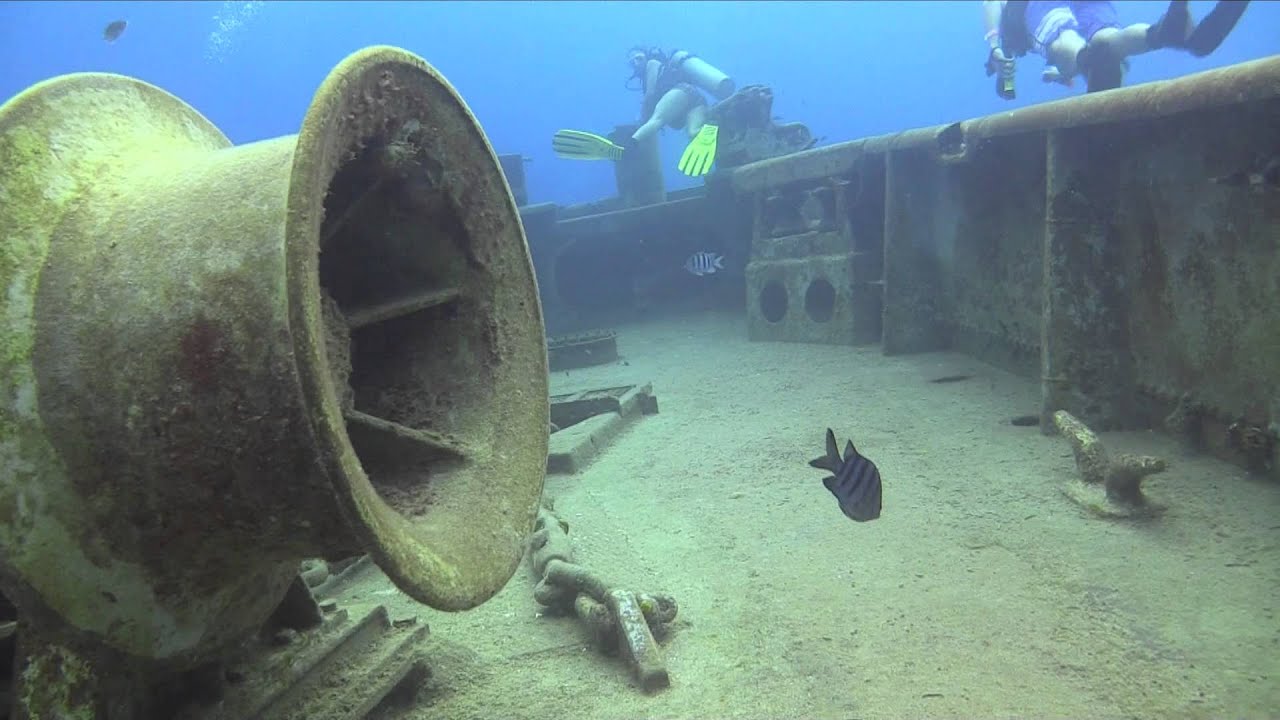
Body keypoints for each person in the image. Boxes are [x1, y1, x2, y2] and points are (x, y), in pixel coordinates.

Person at [982, 0, 1251, 95]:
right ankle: (1165, 34)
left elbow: (991, 1)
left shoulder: (1016, 29)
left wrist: (993, 44)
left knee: (1062, 38)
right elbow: (1007, 88)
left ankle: (1087, 59)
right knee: (1107, 38)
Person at [624, 47, 737, 176]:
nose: (636, 63)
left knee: (657, 120)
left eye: (639, 58)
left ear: (646, 56)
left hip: (681, 92)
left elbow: (650, 94)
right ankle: (713, 125)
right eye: (631, 62)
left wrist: (642, 121)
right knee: (694, 133)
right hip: (696, 99)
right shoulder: (662, 68)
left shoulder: (652, 63)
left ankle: (629, 145)